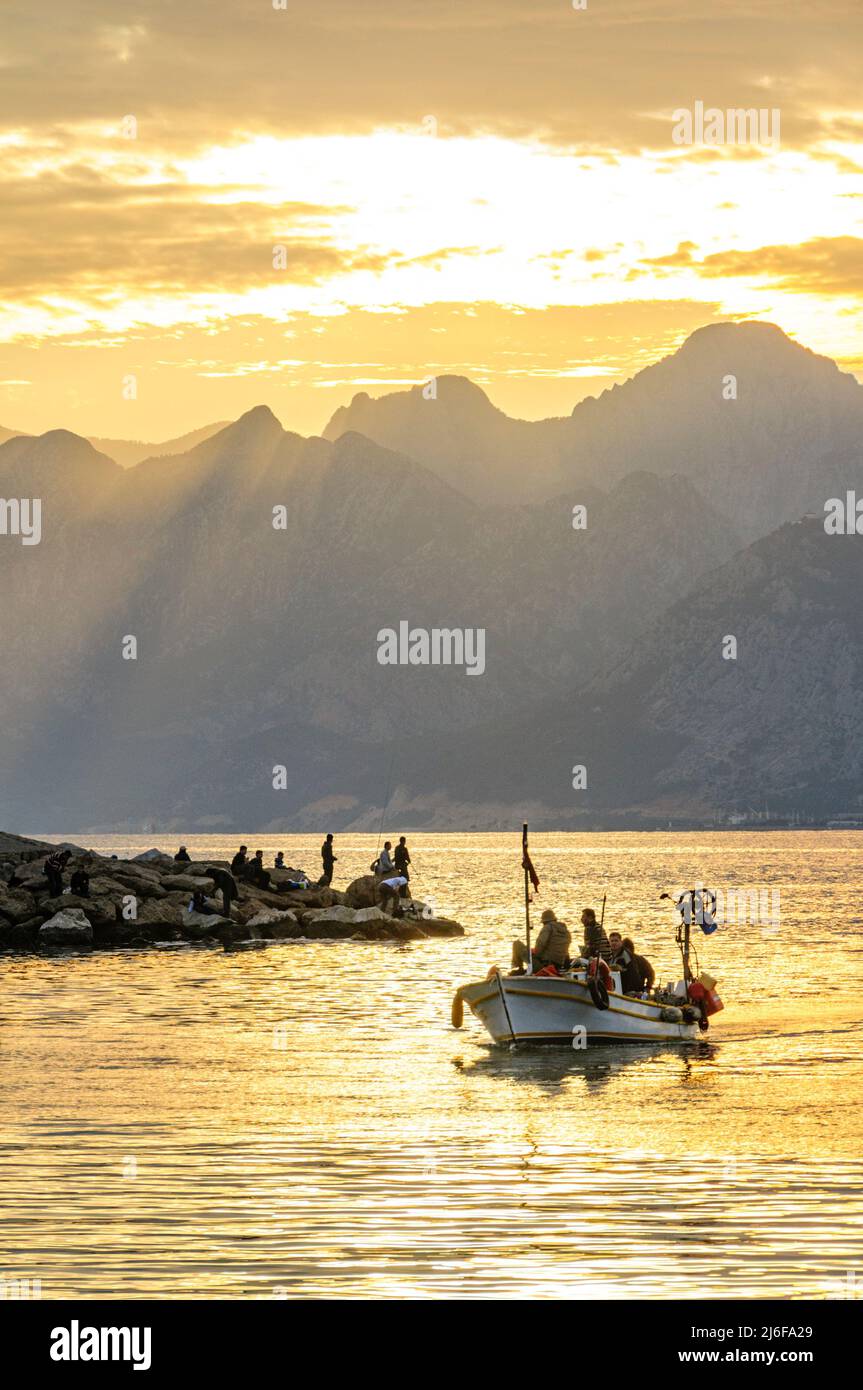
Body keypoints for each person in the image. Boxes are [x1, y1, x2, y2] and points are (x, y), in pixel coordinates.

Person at [511, 908, 571, 973]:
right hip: (558, 965)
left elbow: (540, 946)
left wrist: (534, 952)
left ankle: (520, 968)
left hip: (544, 964)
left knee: (517, 944)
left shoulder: (548, 927)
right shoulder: (565, 931)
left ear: (544, 921)